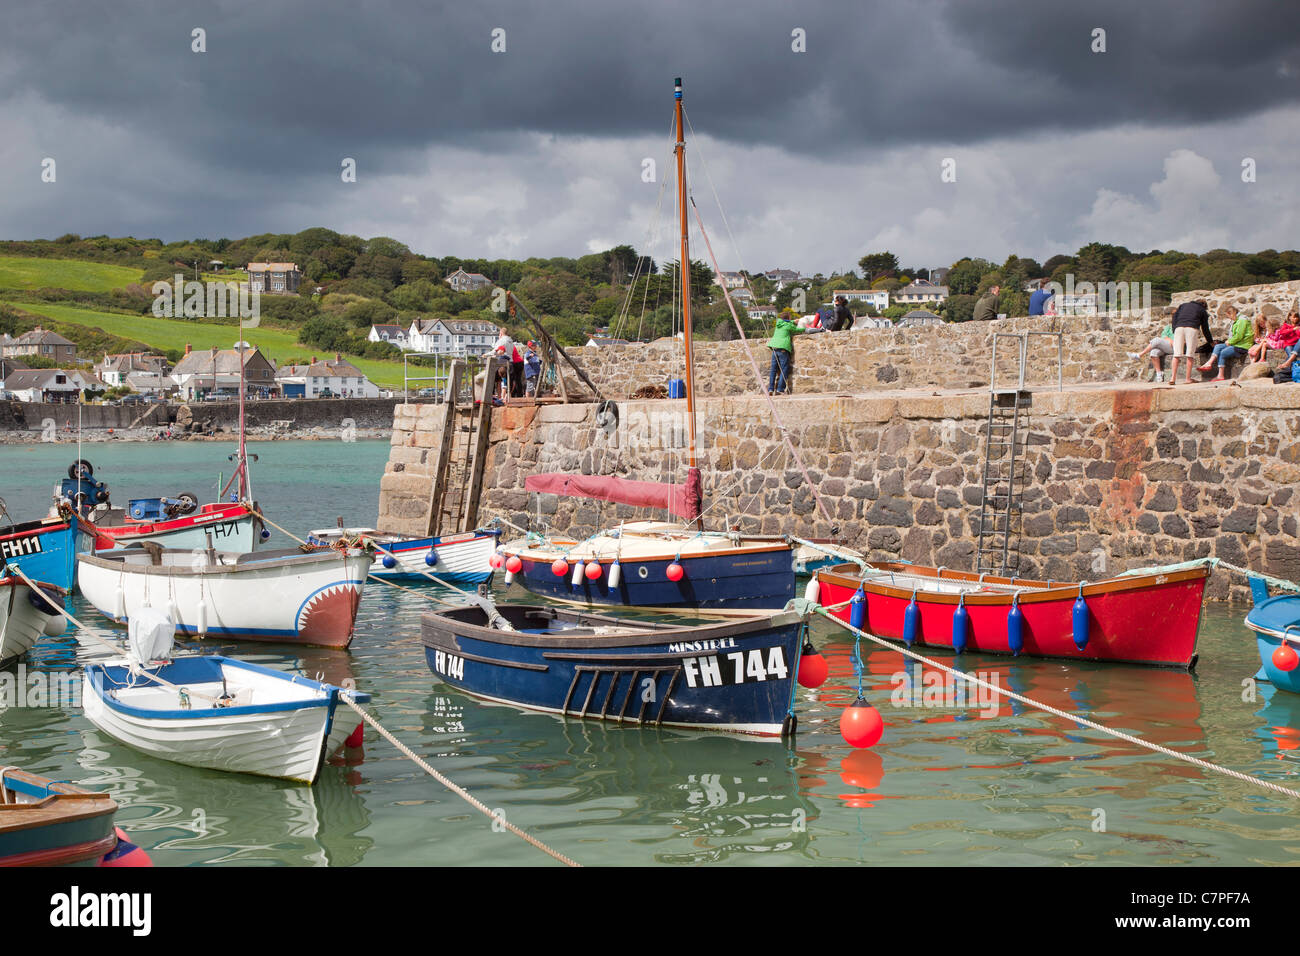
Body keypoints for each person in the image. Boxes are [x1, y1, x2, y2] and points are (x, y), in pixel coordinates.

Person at [1198, 305, 1252, 382]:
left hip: (1243, 345)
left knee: (1223, 352)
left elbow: (1239, 336)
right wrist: (1230, 342)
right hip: (1236, 343)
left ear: (1232, 313)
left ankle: (1220, 376)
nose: (1229, 318)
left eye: (1228, 316)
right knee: (1218, 346)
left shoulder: (1242, 320)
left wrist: (1230, 342)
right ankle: (1209, 363)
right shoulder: (1237, 320)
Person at [1168, 298, 1212, 385]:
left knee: (1176, 354)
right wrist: (1210, 341)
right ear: (1204, 306)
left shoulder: (1183, 305)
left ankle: (1172, 378)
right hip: (1191, 328)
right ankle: (1188, 379)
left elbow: (1174, 318)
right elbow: (1205, 328)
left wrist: (1174, 329)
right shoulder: (1202, 310)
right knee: (1190, 355)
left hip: (1179, 328)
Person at [767, 309, 807, 394]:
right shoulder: (788, 326)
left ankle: (770, 388)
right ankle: (780, 389)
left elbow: (786, 322)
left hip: (774, 348)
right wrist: (805, 327)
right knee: (784, 369)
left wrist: (792, 321)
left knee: (773, 370)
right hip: (783, 349)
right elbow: (798, 330)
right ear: (788, 318)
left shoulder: (778, 324)